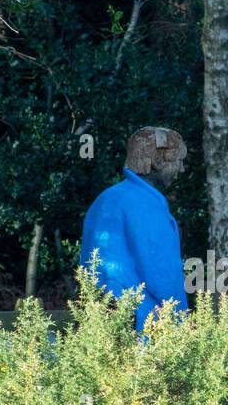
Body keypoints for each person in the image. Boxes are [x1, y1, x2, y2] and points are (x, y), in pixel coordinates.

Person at [79, 126, 189, 331]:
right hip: (140, 321)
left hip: (97, 316)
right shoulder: (146, 205)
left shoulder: (105, 199)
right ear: (157, 162)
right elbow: (161, 272)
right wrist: (180, 319)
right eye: (178, 161)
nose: (181, 169)